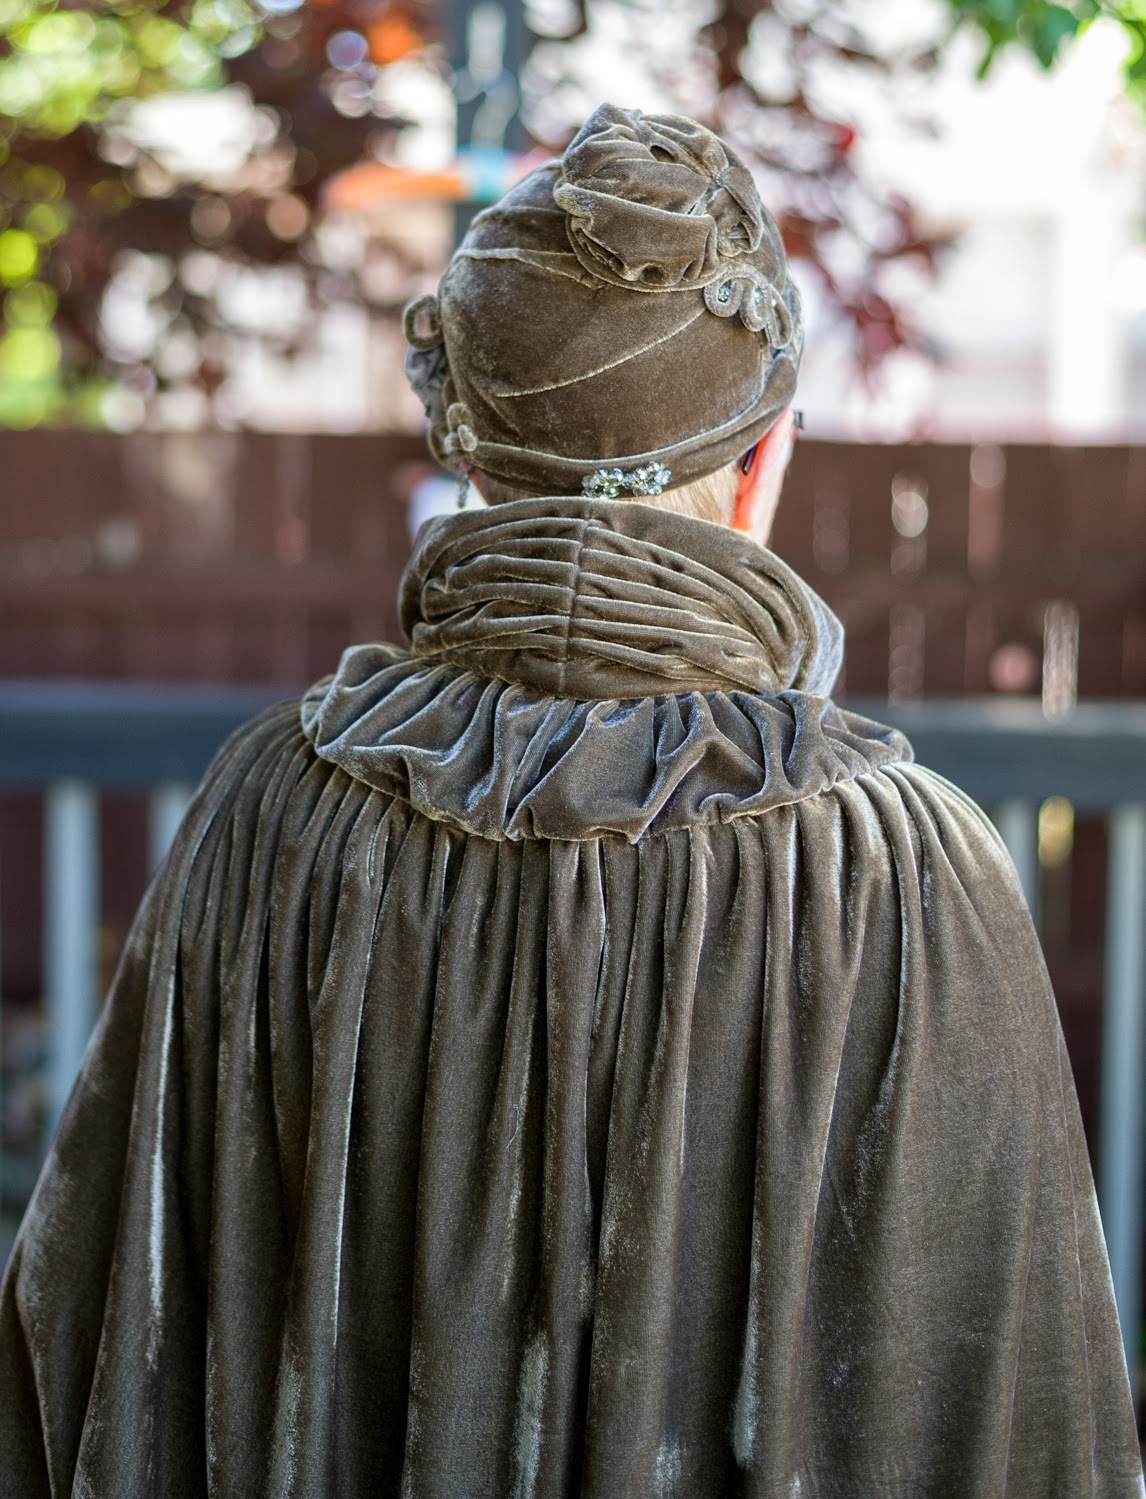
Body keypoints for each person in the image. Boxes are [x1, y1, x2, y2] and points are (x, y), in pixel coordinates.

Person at [0, 103, 1141, 1498]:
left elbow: (102, 1338)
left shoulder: (265, 807)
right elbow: (1021, 1418)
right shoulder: (909, 867)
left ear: (470, 455)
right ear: (764, 460)